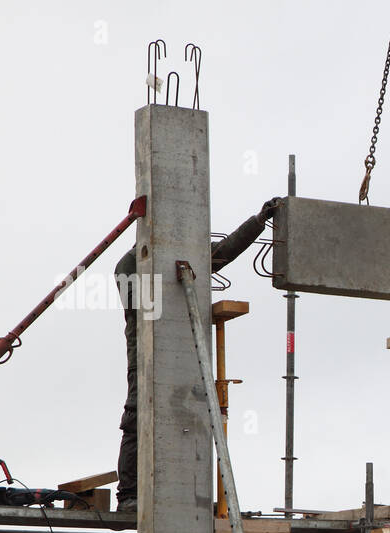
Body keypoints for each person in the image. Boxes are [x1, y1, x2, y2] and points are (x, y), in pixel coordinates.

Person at [113, 197, 282, 511]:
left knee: (186, 420)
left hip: (184, 356)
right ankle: (129, 496)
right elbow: (146, 306)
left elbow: (224, 252)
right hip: (147, 355)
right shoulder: (130, 264)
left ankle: (180, 494)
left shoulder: (181, 254)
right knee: (137, 417)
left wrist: (258, 221)